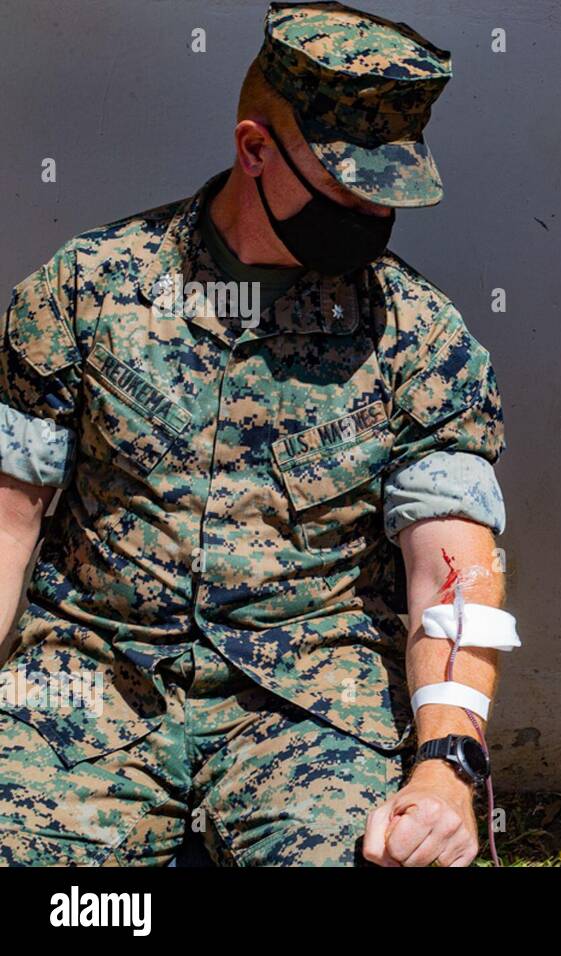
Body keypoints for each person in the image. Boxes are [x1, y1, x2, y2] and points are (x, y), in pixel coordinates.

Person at [0, 1, 510, 866]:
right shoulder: (88, 291)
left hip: (310, 705)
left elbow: (454, 573)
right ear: (254, 149)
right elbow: (7, 523)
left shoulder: (422, 339)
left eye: (385, 196)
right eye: (345, 188)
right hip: (90, 680)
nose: (366, 216)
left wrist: (446, 766)